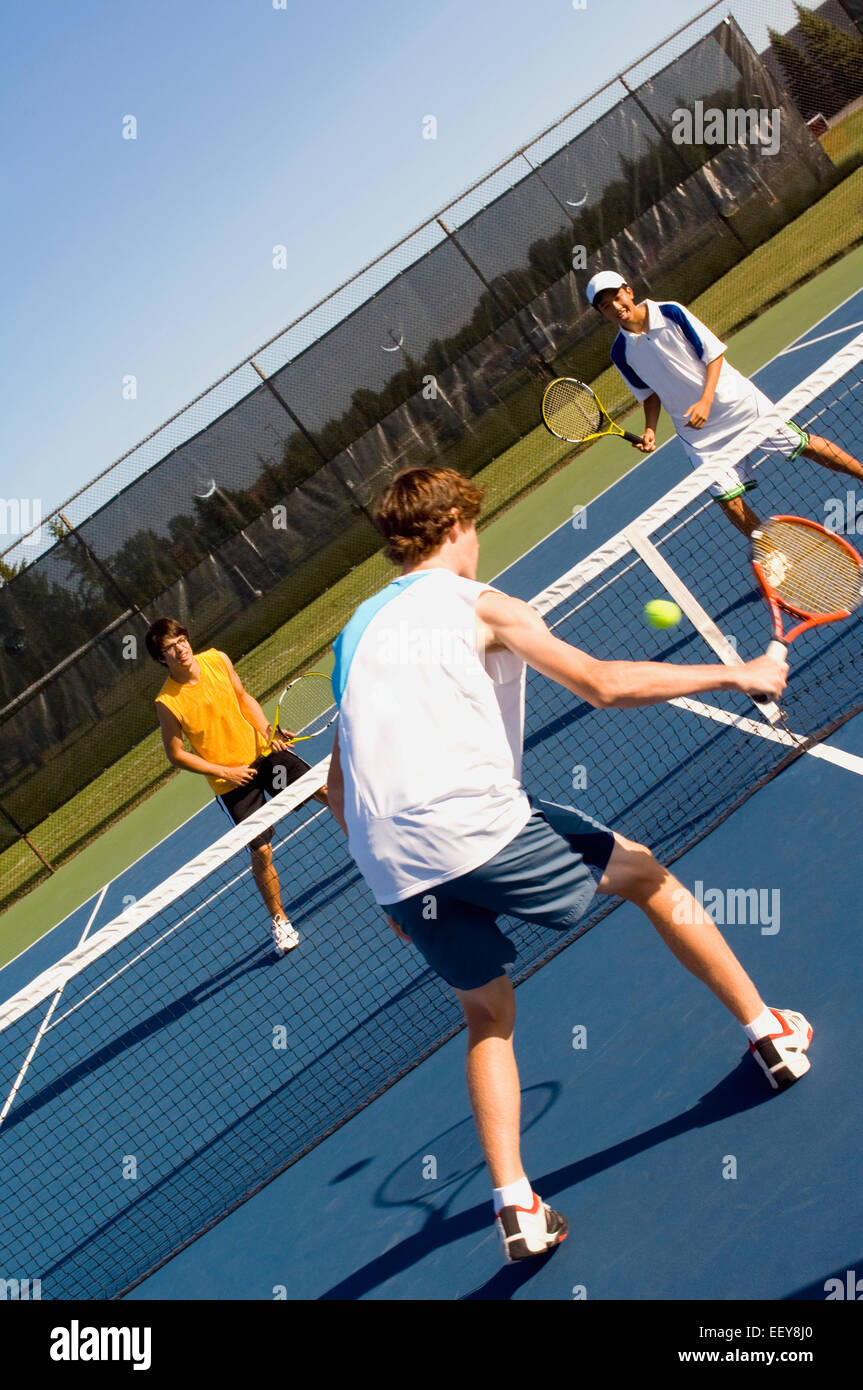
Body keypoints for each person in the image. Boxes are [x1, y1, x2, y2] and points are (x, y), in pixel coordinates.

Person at [325, 465, 812, 1265]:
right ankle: (768, 1035)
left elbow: (339, 781)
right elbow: (602, 685)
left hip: (394, 867)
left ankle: (514, 1203)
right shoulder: (479, 603)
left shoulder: (352, 635)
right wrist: (740, 672)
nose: (477, 540)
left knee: (485, 1016)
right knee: (647, 876)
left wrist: (383, 885)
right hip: (476, 826)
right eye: (472, 524)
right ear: (452, 523)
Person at [587, 270, 863, 537]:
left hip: (737, 403)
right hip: (698, 433)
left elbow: (714, 354)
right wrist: (650, 430)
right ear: (601, 314)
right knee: (725, 497)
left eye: (616, 297)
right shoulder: (621, 353)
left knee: (802, 444)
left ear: (629, 292)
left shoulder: (671, 312)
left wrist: (706, 402)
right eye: (605, 305)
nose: (614, 306)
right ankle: (770, 553)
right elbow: (648, 394)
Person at [148, 618, 327, 956]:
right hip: (231, 782)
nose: (179, 649)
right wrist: (224, 773)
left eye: (181, 640)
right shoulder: (167, 702)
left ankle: (373, 851)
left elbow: (243, 698)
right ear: (162, 659)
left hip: (263, 755)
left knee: (326, 793)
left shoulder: (217, 659)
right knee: (261, 851)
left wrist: (267, 731)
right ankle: (280, 922)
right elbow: (176, 755)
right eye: (169, 648)